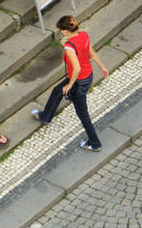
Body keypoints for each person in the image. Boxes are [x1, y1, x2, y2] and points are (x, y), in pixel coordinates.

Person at [32, 15, 110, 151]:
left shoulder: (70, 46)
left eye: (61, 30)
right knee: (57, 90)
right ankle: (46, 116)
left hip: (78, 81)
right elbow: (92, 53)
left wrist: (69, 85)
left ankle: (95, 143)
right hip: (87, 76)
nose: (61, 32)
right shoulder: (84, 35)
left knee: (83, 114)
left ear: (66, 31)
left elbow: (76, 69)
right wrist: (102, 67)